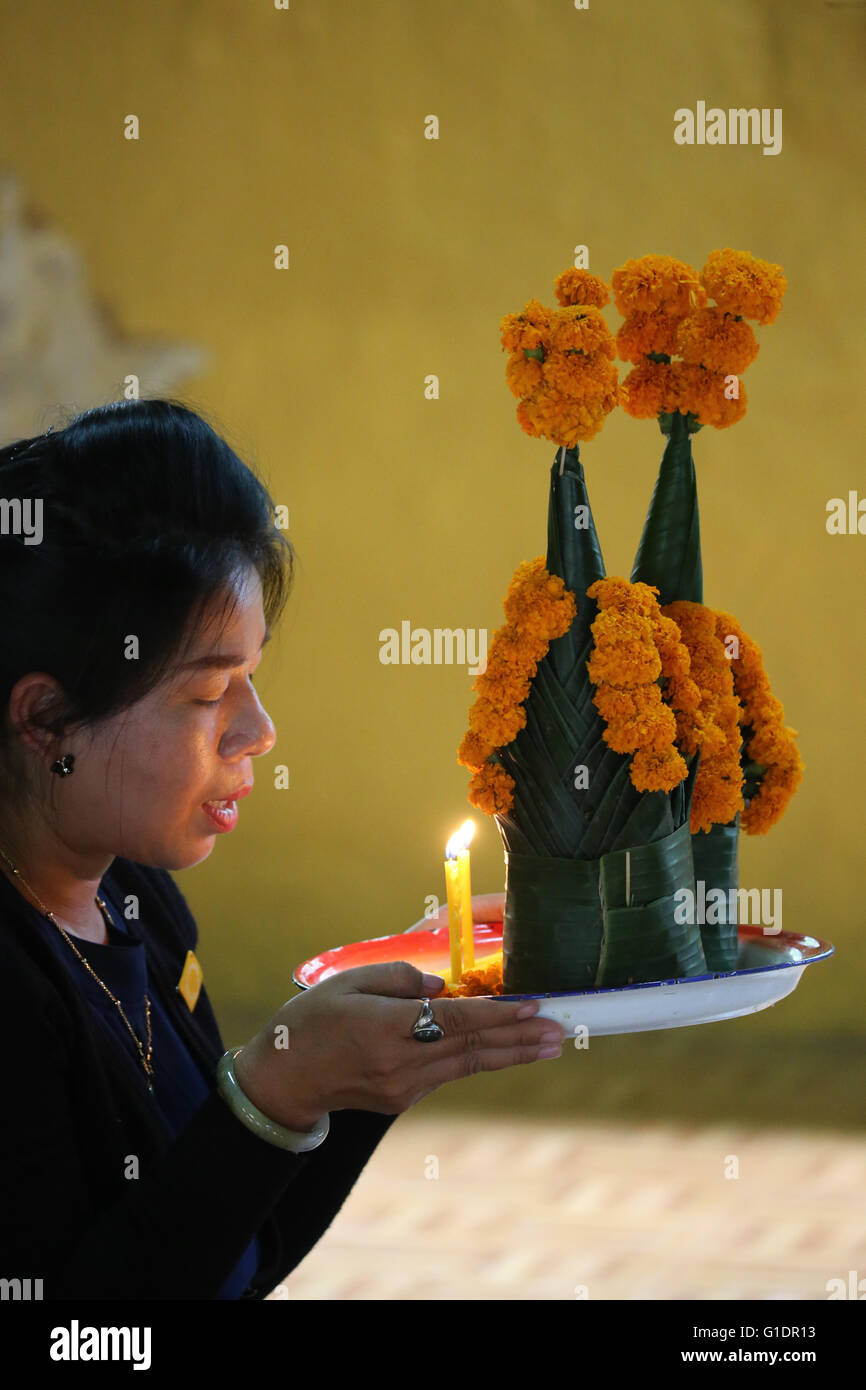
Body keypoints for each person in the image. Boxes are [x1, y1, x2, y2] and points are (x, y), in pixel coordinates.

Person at [0, 398, 565, 1301]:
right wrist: (279, 1089)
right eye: (209, 692)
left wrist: (373, 1047)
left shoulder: (134, 900)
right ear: (45, 718)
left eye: (252, 677)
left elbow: (231, 1256)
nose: (259, 732)